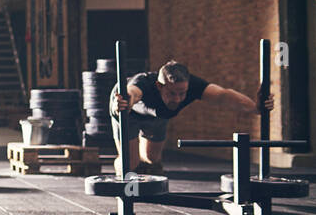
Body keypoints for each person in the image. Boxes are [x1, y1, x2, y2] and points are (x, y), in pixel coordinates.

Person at [110, 59, 274, 173]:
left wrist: (255, 108)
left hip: (157, 116)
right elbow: (132, 93)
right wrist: (124, 103)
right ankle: (122, 176)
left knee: (152, 159)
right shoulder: (144, 83)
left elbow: (223, 95)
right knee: (130, 163)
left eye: (182, 93)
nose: (177, 99)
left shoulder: (193, 85)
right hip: (127, 111)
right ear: (160, 86)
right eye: (172, 93)